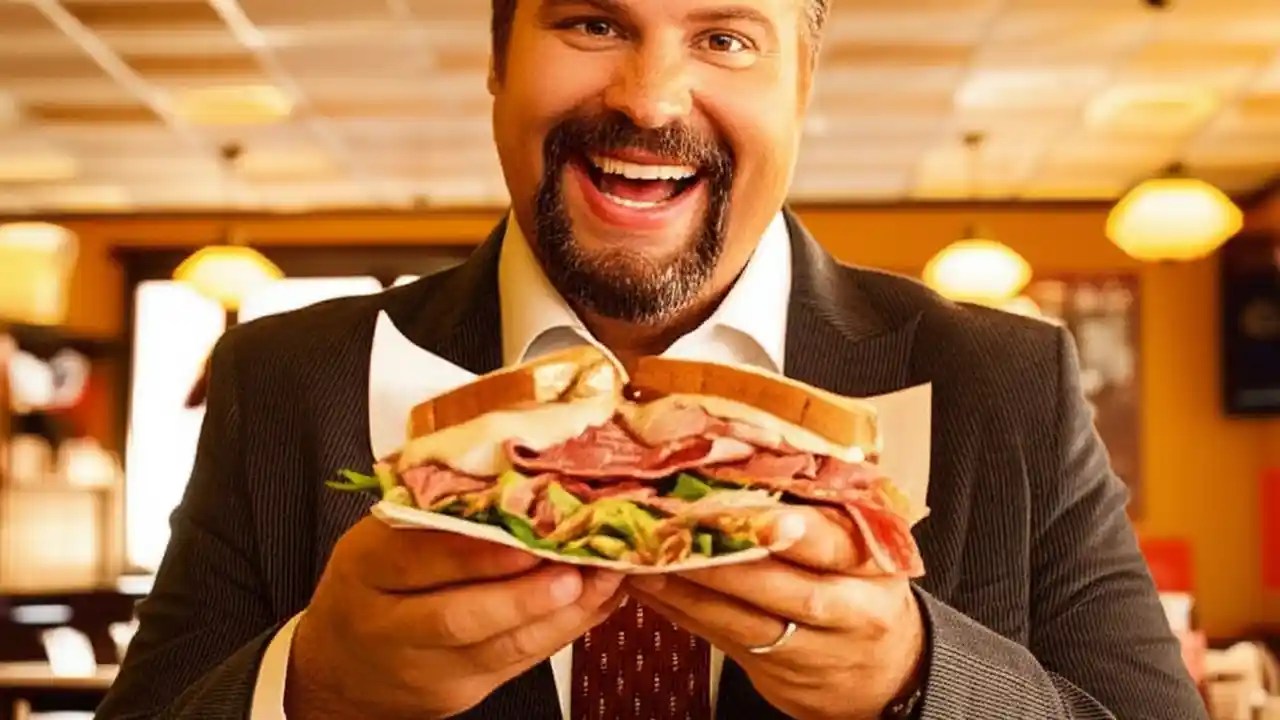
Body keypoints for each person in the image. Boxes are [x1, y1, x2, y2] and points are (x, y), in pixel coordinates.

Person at [98, 0, 1208, 718]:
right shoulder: (286, 378)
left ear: (800, 89)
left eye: (724, 37)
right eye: (590, 22)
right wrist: (315, 689)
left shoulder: (1004, 383)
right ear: (496, 64)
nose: (646, 98)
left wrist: (914, 679)